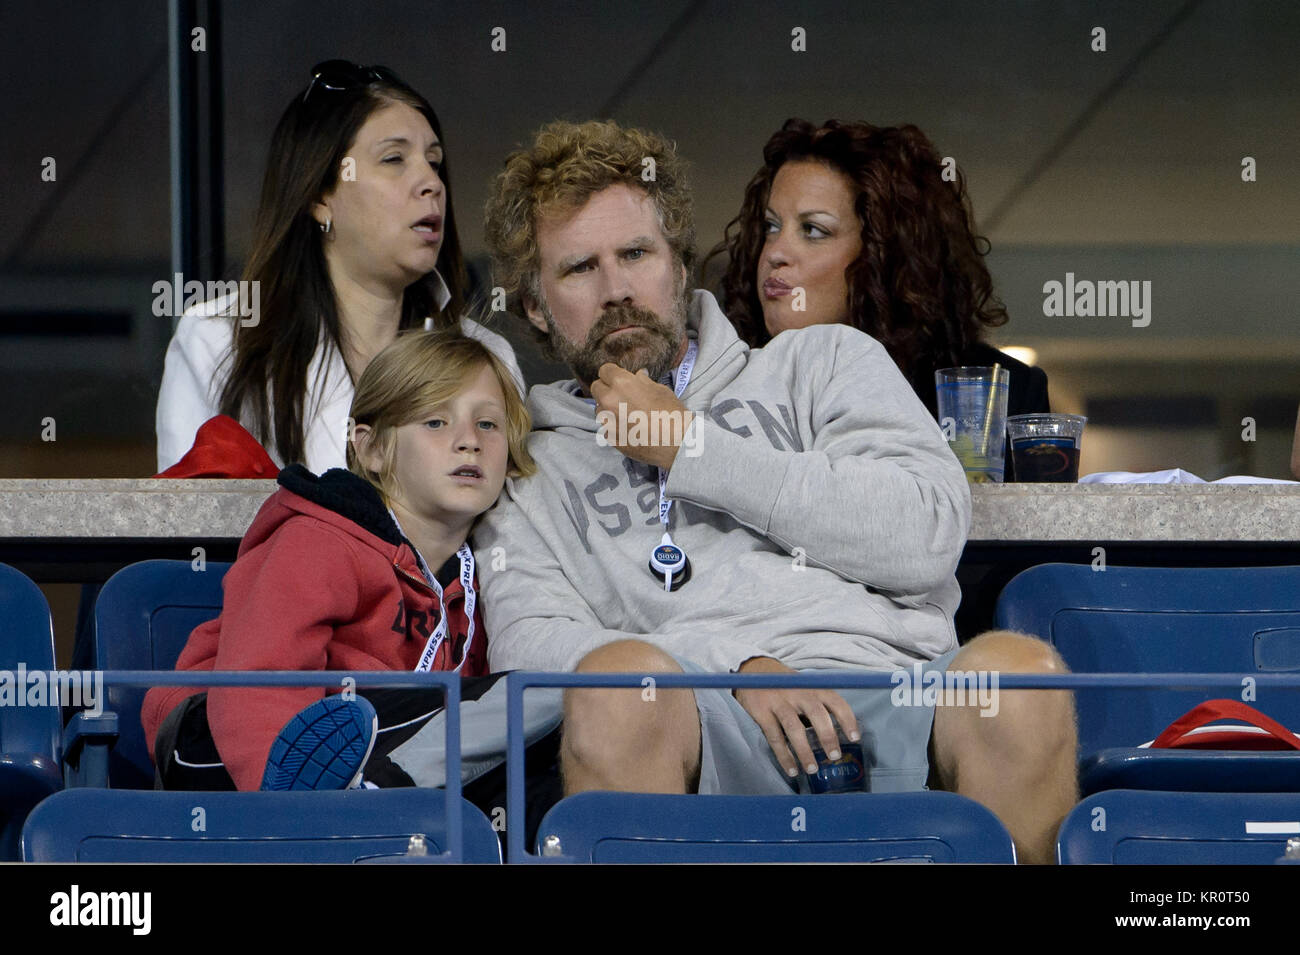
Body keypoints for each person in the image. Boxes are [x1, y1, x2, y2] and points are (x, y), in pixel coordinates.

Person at [477, 119, 1078, 863]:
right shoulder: (529, 460)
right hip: (696, 718)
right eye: (578, 269)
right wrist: (732, 668)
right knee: (611, 691)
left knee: (1020, 679)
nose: (617, 291)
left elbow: (924, 532)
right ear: (534, 306)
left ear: (678, 262)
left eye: (636, 253)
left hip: (894, 695)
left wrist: (690, 449)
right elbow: (529, 652)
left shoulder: (820, 359)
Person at [142, 330, 534, 791]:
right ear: (370, 448)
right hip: (222, 744)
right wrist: (293, 803)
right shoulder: (319, 537)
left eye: (489, 425)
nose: (469, 441)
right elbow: (261, 678)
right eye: (435, 422)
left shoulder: (488, 576)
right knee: (520, 702)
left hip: (385, 742)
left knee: (525, 723)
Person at [155, 60, 523, 475]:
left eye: (434, 162)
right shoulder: (218, 341)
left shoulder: (489, 358)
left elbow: (509, 532)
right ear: (319, 195)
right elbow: (185, 529)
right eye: (394, 159)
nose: (431, 183)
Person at [712, 118, 1048, 477]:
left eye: (813, 230)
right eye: (771, 226)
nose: (775, 252)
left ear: (884, 254)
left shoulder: (993, 391)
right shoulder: (721, 378)